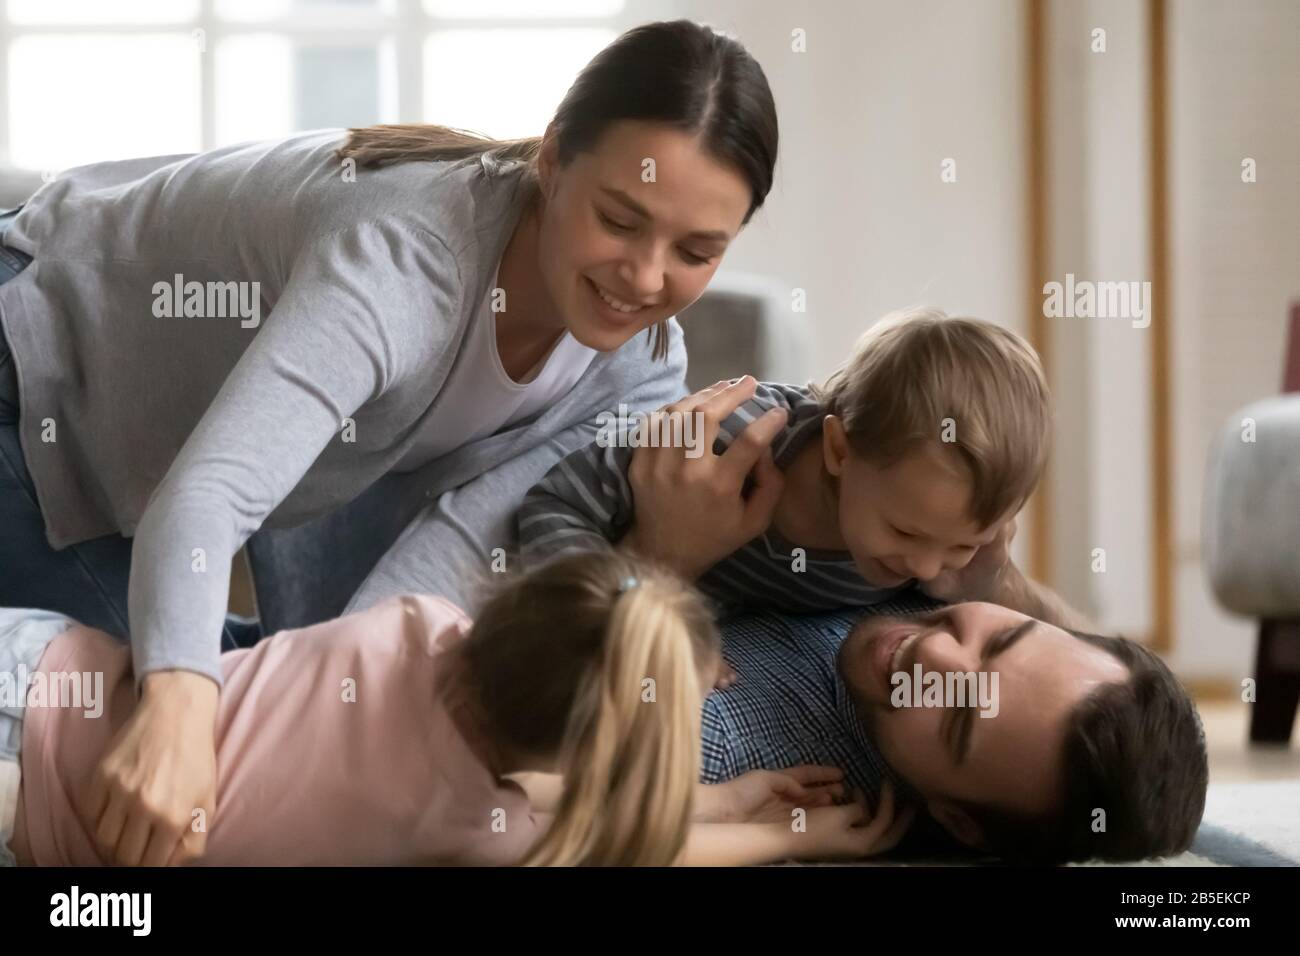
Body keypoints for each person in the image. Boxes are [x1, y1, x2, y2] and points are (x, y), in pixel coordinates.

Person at [0, 19, 779, 865]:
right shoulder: (407, 259)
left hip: (155, 490)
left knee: (240, 750)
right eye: (620, 220)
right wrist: (180, 707)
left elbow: (441, 578)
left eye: (697, 251)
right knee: (123, 751)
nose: (645, 277)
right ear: (554, 160)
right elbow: (209, 497)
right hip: (40, 378)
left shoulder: (638, 374)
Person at [1, 554, 903, 867]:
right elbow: (630, 844)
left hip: (41, 657)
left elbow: (594, 805)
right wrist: (788, 834)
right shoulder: (475, 825)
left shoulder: (419, 628)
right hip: (24, 804)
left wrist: (730, 793)